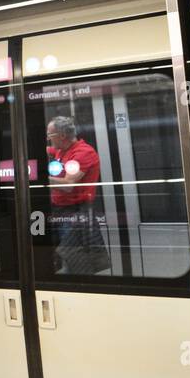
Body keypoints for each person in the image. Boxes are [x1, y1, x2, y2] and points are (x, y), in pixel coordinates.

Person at [45, 115, 110, 275]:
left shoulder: (83, 153)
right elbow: (45, 150)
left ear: (62, 136)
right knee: (66, 253)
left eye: (50, 136)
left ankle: (77, 285)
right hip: (60, 210)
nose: (48, 140)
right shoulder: (62, 150)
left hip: (75, 212)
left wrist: (42, 179)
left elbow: (68, 185)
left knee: (73, 255)